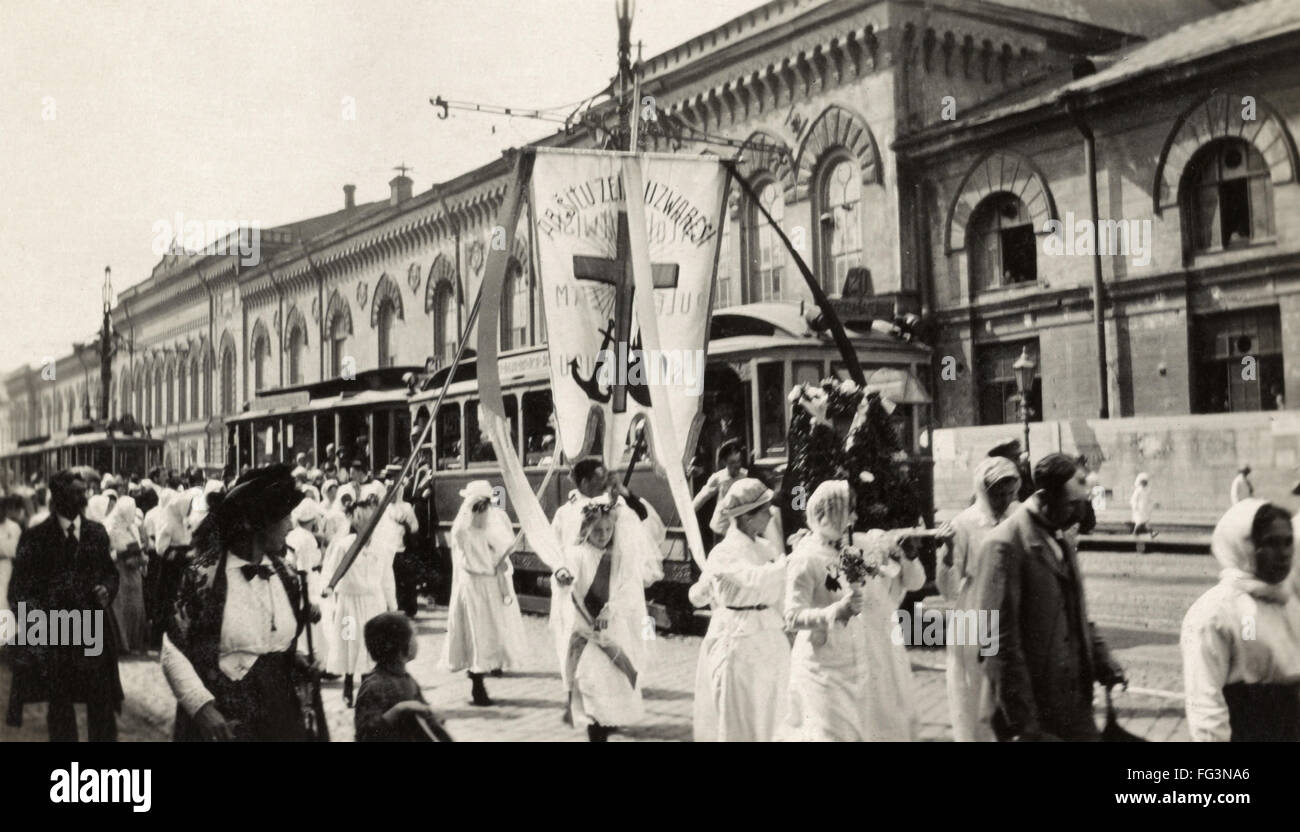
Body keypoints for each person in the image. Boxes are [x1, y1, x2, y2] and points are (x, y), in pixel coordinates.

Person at [160, 463, 320, 741]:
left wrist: (296, 659)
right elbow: (172, 649)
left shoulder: (288, 575)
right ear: (256, 523)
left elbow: (270, 640)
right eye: (283, 517)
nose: (290, 525)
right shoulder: (204, 577)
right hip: (228, 719)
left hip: (280, 715)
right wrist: (201, 707)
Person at [973, 453, 1126, 741]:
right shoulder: (1004, 544)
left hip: (1073, 704)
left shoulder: (1059, 535)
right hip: (1033, 714)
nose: (1077, 514)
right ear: (1044, 496)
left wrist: (1102, 657)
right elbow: (995, 643)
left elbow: (1076, 611)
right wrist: (1026, 728)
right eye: (1071, 504)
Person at [784, 480, 926, 741]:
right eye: (849, 510)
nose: (855, 517)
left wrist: (905, 555)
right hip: (824, 666)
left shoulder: (860, 545)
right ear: (831, 512)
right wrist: (834, 612)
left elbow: (904, 580)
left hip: (861, 662)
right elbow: (792, 616)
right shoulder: (806, 557)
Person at [8, 470, 123, 741]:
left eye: (83, 491)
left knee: (102, 704)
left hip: (93, 632)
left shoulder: (96, 533)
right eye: (75, 492)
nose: (82, 497)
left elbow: (110, 572)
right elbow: (18, 589)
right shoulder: (35, 538)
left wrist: (107, 588)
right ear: (58, 497)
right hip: (56, 637)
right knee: (60, 707)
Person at [1180, 500, 1300, 741]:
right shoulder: (1215, 612)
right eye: (1271, 543)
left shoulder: (1287, 600)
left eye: (1288, 542)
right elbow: (1205, 701)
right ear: (1243, 547)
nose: (1284, 553)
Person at [688, 478, 790, 742]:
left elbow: (777, 591)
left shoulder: (766, 548)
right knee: (741, 718)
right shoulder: (724, 553)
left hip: (770, 641)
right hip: (738, 641)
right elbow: (753, 578)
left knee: (773, 716)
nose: (770, 514)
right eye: (764, 509)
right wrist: (791, 560)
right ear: (746, 517)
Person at [551, 497, 660, 741]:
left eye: (608, 530)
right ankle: (596, 730)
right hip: (586, 631)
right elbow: (563, 576)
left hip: (613, 628)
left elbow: (629, 588)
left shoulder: (619, 557)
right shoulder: (576, 554)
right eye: (597, 530)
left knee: (614, 679)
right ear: (586, 529)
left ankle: (606, 723)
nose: (603, 535)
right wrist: (562, 577)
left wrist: (612, 608)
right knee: (593, 683)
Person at [937, 457, 1020, 742]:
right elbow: (948, 588)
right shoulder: (963, 524)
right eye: (998, 493)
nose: (1005, 500)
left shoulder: (1016, 520)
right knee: (976, 692)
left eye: (1010, 493)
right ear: (984, 490)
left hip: (1011, 611)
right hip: (976, 614)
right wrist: (947, 551)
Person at [441, 480, 527, 706]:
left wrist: (499, 559)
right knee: (476, 631)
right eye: (478, 508)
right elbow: (496, 551)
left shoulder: (484, 528)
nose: (483, 513)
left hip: (484, 585)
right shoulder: (466, 531)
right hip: (473, 585)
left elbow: (504, 552)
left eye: (484, 508)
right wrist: (496, 557)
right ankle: (477, 681)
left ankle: (485, 670)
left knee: (486, 630)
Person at [322, 482, 388, 707]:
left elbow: (386, 577)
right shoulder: (344, 546)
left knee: (369, 645)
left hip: (372, 603)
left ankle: (367, 688)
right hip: (349, 603)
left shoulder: (380, 546)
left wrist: (391, 603)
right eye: (366, 523)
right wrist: (329, 593)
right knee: (350, 642)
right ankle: (348, 684)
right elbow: (331, 572)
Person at [354, 612, 448, 741]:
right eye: (414, 635)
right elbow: (365, 735)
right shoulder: (373, 686)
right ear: (398, 645)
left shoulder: (407, 679)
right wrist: (399, 709)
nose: (417, 641)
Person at [105, 495, 148, 654]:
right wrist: (121, 553)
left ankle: (134, 641)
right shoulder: (109, 528)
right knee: (121, 609)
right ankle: (122, 644)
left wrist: (141, 556)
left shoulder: (132, 527)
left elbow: (139, 546)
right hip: (119, 574)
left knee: (135, 607)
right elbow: (106, 555)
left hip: (133, 573)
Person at [374, 463, 418, 615]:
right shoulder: (382, 508)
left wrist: (405, 523)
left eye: (393, 492)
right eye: (388, 492)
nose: (390, 495)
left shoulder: (406, 507)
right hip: (385, 550)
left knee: (403, 580)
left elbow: (415, 527)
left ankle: (407, 610)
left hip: (400, 549)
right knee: (388, 581)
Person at [692, 440, 748, 538]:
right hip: (721, 526)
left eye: (739, 461)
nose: (737, 465)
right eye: (732, 462)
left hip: (738, 525)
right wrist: (689, 511)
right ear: (725, 462)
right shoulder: (718, 478)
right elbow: (703, 496)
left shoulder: (745, 476)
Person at [0, 495, 22, 614]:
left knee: (4, 600)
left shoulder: (14, 527)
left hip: (8, 568)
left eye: (3, 508)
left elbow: (17, 550)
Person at [1130, 473, 1157, 540]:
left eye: (1146, 482)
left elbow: (1150, 498)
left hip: (1145, 508)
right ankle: (1136, 533)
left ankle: (1136, 533)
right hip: (1139, 508)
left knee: (1144, 522)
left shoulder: (1147, 490)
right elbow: (1134, 499)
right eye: (1143, 482)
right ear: (1140, 482)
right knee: (1140, 521)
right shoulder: (1138, 490)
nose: (1145, 483)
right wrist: (1135, 506)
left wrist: (1154, 503)